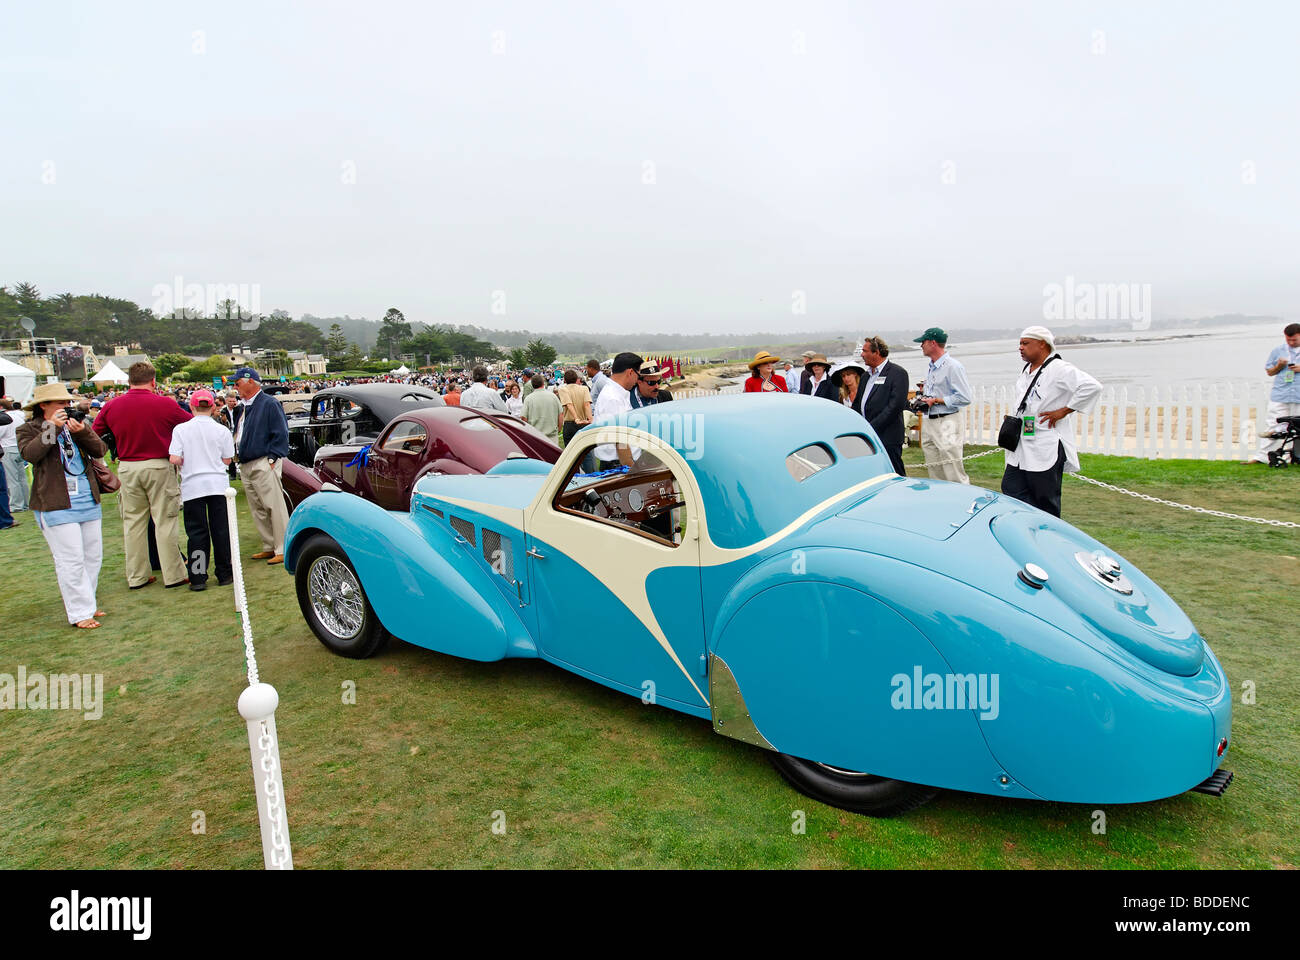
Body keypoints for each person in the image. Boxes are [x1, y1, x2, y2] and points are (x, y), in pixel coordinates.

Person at [92, 360, 192, 588]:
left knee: (133, 522)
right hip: (158, 464)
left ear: (129, 381)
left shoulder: (111, 406)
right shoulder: (164, 404)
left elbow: (94, 433)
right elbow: (189, 425)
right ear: (153, 381)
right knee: (164, 520)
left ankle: (137, 576)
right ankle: (173, 574)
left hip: (127, 467)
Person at [18, 383, 109, 628]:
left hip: (86, 499)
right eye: (61, 403)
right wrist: (52, 428)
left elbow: (100, 449)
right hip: (55, 502)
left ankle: (87, 602)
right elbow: (31, 454)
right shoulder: (28, 429)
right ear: (43, 406)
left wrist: (81, 432)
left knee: (93, 556)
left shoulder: (75, 425)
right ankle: (80, 612)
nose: (66, 407)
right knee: (71, 559)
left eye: (67, 403)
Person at [1000, 326, 1101, 517]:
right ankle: (1031, 522)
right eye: (1020, 343)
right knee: (1011, 487)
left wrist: (1064, 411)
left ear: (1042, 344)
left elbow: (1092, 387)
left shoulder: (1058, 368)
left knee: (1045, 498)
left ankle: (1048, 532)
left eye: (1025, 343)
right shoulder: (1027, 370)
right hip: (1023, 443)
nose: (1020, 348)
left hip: (1046, 443)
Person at [168, 389, 235, 591]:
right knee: (221, 531)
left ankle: (198, 577)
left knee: (197, 533)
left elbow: (174, 458)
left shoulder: (181, 429)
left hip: (192, 486)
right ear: (212, 407)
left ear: (192, 406)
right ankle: (224, 573)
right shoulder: (221, 430)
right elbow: (227, 459)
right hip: (217, 484)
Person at [231, 367, 290, 565]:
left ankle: (283, 547)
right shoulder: (244, 407)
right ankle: (270, 545)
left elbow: (281, 432)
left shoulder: (269, 404)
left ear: (250, 382)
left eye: (237, 382)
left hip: (263, 460)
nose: (235, 387)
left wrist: (273, 457)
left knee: (274, 505)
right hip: (247, 462)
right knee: (258, 507)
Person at [914, 327, 973, 484]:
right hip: (930, 419)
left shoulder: (953, 366)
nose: (921, 345)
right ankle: (941, 500)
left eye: (923, 342)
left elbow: (965, 397)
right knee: (934, 467)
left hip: (947, 420)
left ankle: (962, 500)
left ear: (933, 343)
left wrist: (937, 400)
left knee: (952, 466)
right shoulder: (932, 366)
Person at [1245, 322, 1300, 464]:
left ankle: (1295, 458)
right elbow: (1270, 372)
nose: (1291, 342)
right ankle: (1262, 457)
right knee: (1274, 426)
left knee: (1298, 428)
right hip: (1281, 393)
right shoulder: (1278, 350)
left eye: (1295, 340)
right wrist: (1279, 366)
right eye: (1289, 340)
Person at [857, 336, 910, 476]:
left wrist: (871, 427)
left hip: (888, 437)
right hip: (867, 437)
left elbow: (895, 407)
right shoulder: (865, 376)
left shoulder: (897, 373)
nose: (862, 354)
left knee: (894, 473)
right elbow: (858, 404)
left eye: (865, 351)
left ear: (877, 353)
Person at [591, 352, 643, 469]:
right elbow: (620, 441)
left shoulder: (617, 393)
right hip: (618, 465)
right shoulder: (612, 397)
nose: (637, 380)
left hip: (620, 462)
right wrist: (632, 469)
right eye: (638, 376)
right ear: (630, 372)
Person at [1, 398, 28, 512]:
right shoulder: (18, 416)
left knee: (12, 479)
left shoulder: (5, 418)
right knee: (22, 478)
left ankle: (16, 505)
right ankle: (25, 503)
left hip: (8, 448)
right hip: (18, 447)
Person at [556, 368, 593, 448]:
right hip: (584, 422)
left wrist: (576, 418)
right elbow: (587, 405)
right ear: (577, 379)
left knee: (570, 453)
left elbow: (569, 404)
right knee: (585, 451)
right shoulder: (584, 389)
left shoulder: (563, 389)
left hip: (570, 424)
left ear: (564, 380)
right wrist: (590, 419)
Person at [522, 375, 562, 442]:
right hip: (551, 436)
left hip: (535, 436)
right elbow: (561, 414)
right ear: (543, 383)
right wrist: (559, 428)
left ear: (532, 385)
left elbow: (524, 418)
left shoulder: (528, 399)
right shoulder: (553, 396)